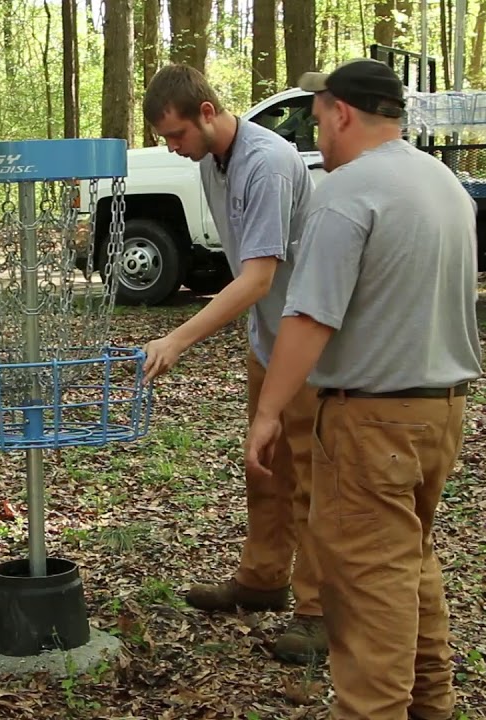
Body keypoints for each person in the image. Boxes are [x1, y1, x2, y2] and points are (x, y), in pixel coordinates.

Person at [246, 58, 483, 719]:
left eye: (318, 118)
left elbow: (309, 316)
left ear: (342, 113)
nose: (316, 134)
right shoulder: (445, 185)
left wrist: (268, 412)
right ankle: (431, 703)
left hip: (372, 424)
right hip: (441, 413)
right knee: (409, 563)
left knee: (365, 590)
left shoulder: (347, 193)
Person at [138, 64, 325, 663]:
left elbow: (259, 276)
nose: (173, 147)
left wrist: (177, 339)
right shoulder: (211, 163)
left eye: (177, 134)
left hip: (310, 344)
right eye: (165, 138)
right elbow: (244, 270)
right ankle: (263, 579)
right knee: (264, 467)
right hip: (268, 340)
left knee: (313, 480)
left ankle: (319, 610)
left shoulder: (266, 163)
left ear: (207, 112)